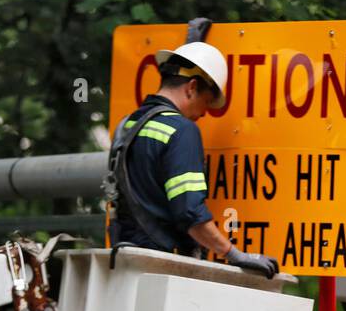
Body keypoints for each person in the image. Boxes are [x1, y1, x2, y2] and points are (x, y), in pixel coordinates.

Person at [108, 40, 278, 278]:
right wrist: (234, 254)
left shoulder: (127, 126)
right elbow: (190, 214)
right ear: (191, 87)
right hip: (161, 267)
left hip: (123, 261)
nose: (205, 112)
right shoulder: (181, 130)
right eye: (207, 101)